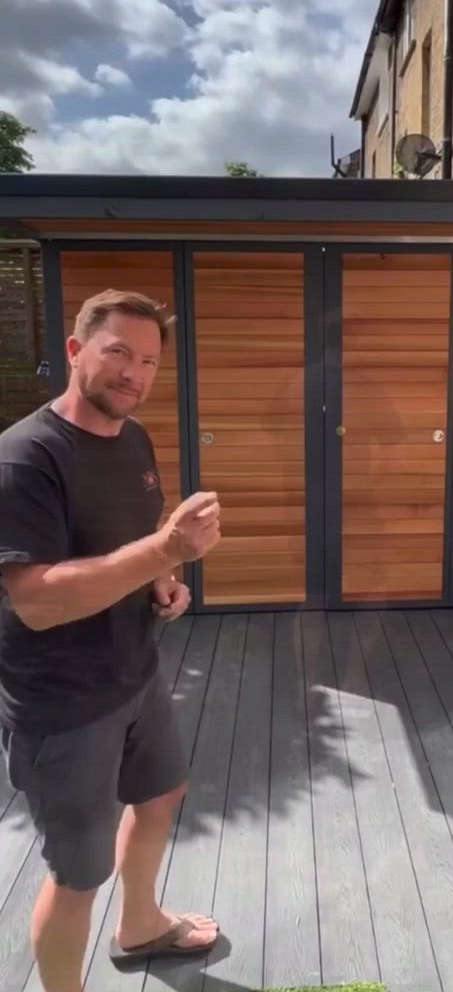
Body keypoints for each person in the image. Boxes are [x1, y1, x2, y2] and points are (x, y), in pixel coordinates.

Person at [0, 289, 222, 992]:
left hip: (134, 672)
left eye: (149, 361)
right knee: (78, 874)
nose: (134, 373)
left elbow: (128, 540)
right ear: (75, 351)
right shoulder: (24, 459)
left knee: (161, 794)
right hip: (61, 705)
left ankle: (141, 925)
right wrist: (162, 553)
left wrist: (160, 581)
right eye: (118, 352)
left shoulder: (134, 439)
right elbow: (35, 602)